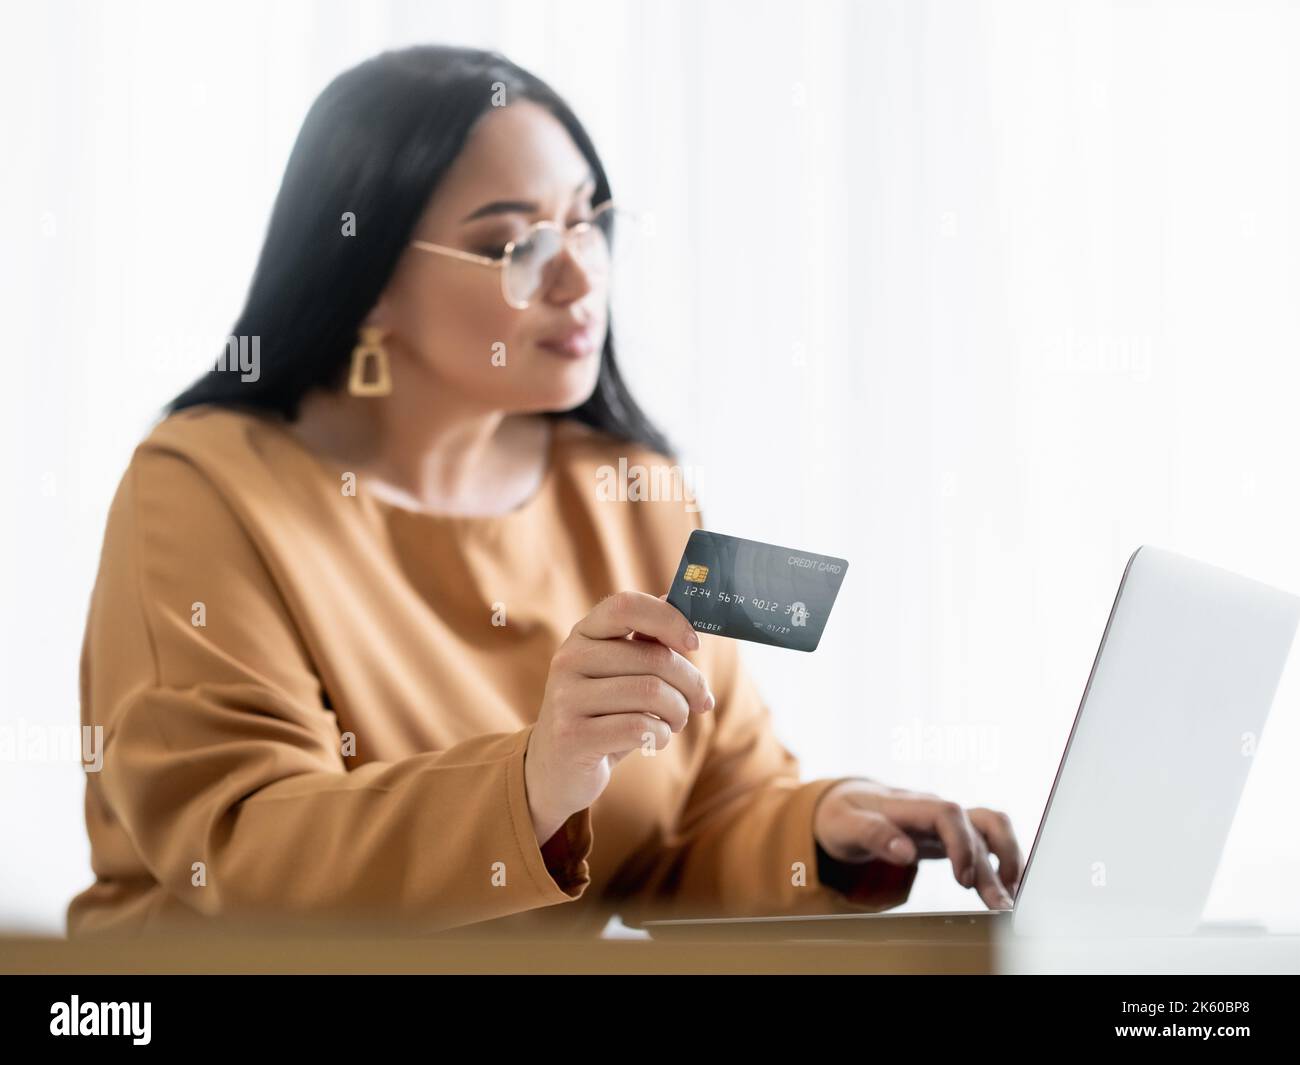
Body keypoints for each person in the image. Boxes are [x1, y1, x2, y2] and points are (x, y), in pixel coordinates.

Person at [68, 44, 1020, 938]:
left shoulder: (636, 485)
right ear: (366, 281)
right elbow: (245, 857)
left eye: (587, 222)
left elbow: (700, 823)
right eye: (514, 245)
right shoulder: (199, 488)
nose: (579, 275)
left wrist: (820, 829)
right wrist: (532, 781)